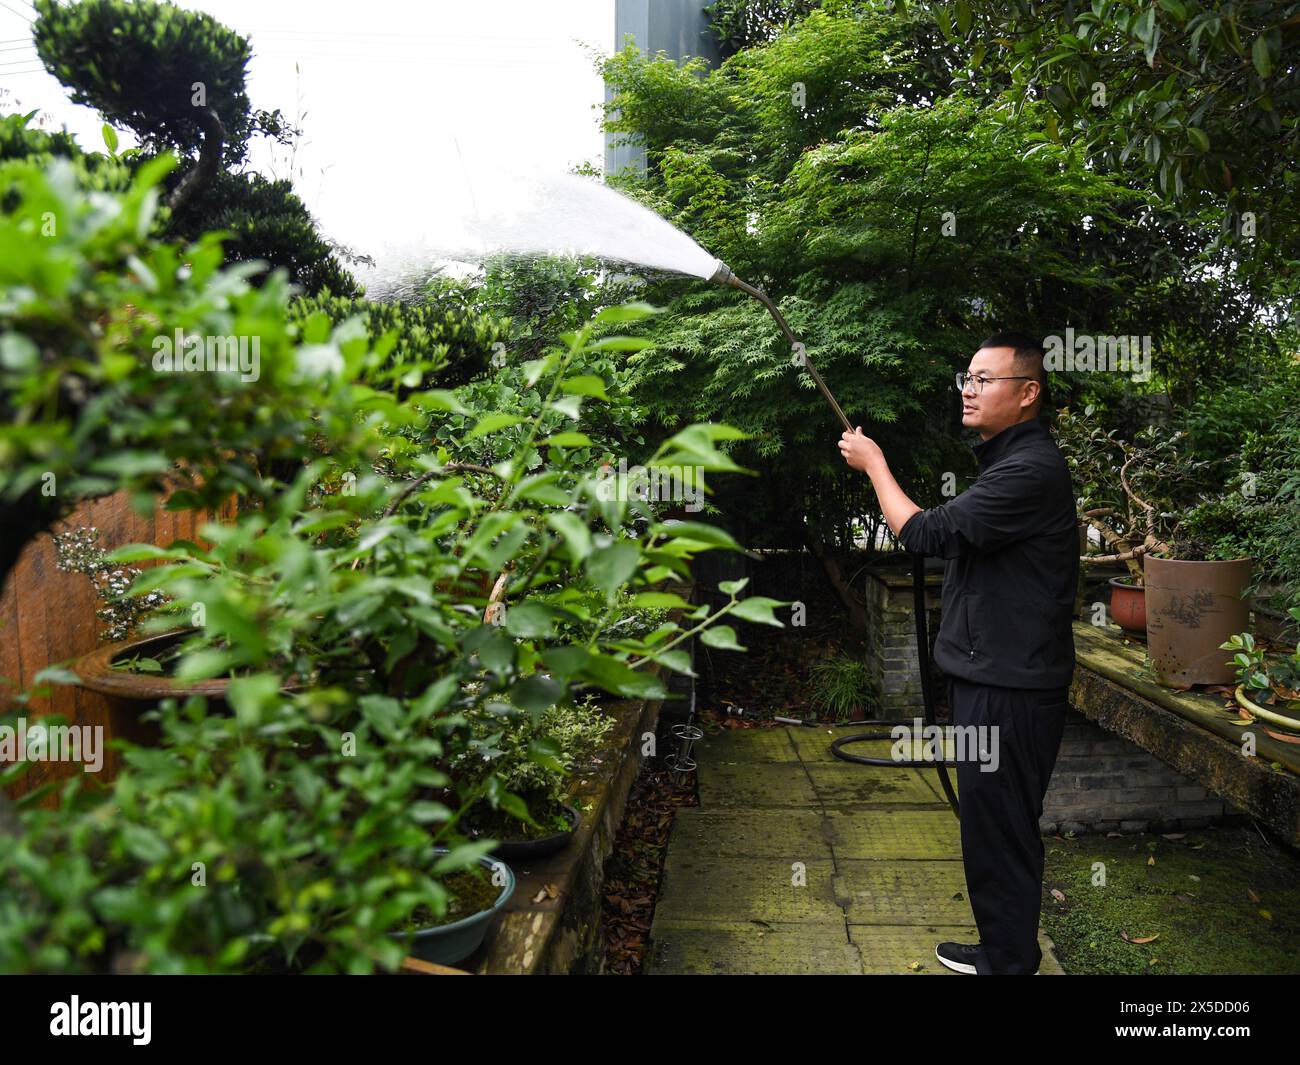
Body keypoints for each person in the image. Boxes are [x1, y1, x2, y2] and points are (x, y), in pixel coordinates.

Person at [837, 332, 1078, 976]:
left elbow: (923, 532)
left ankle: (1008, 963)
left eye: (985, 378)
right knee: (988, 824)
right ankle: (1004, 948)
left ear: (1027, 394)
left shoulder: (1030, 470)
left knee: (1001, 828)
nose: (969, 389)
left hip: (1011, 690)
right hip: (991, 678)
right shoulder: (1006, 462)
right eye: (966, 376)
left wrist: (875, 464)